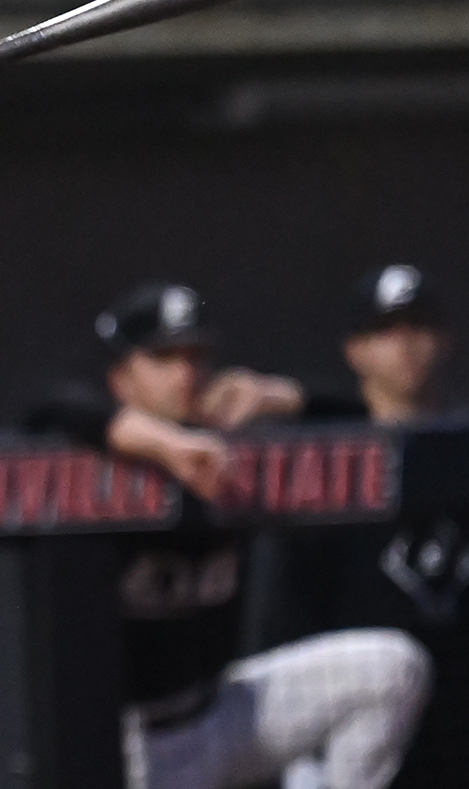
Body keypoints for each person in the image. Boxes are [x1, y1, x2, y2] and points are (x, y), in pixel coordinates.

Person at [29, 282, 430, 789]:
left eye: (196, 356)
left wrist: (278, 397)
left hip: (222, 710)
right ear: (122, 379)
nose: (186, 374)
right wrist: (168, 445)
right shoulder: (93, 460)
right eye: (165, 358)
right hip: (133, 746)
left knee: (392, 669)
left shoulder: (225, 454)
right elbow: (46, 405)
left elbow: (363, 421)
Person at [273, 266, 469, 789]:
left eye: (418, 329)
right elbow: (290, 625)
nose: (405, 347)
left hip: (466, 752)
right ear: (356, 351)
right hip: (356, 752)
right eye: (386, 332)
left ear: (444, 341)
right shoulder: (329, 473)